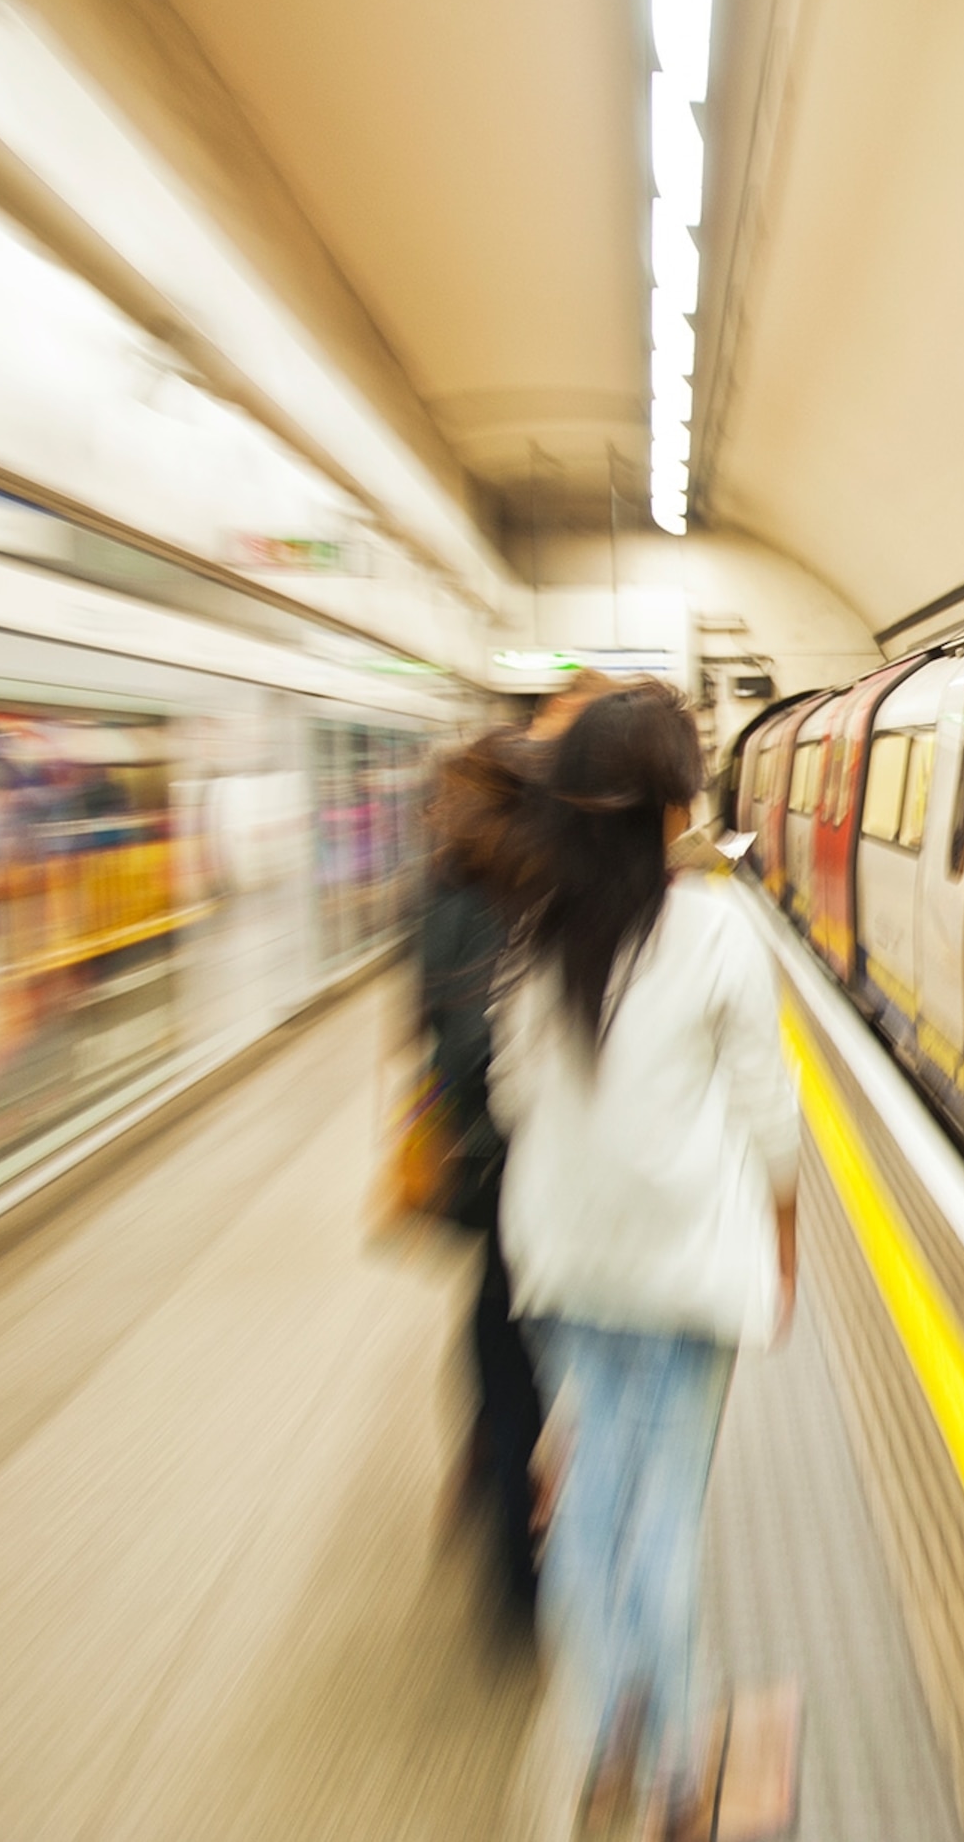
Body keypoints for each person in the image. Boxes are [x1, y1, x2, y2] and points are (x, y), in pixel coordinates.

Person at [484, 683, 800, 1838]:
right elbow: (771, 1110)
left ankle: (601, 1732)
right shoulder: (715, 929)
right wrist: (784, 1237)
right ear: (669, 806)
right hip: (678, 1268)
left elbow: (513, 1098)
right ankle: (674, 1769)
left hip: (567, 1266)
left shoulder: (535, 935)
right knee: (661, 1514)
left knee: (590, 1504)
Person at [420, 675, 618, 1623]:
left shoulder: (438, 885)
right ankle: (545, 1556)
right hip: (530, 1163)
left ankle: (511, 1569)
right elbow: (503, 1047)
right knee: (549, 1359)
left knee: (499, 1353)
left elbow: (434, 1029)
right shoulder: (535, 887)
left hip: (476, 1166)